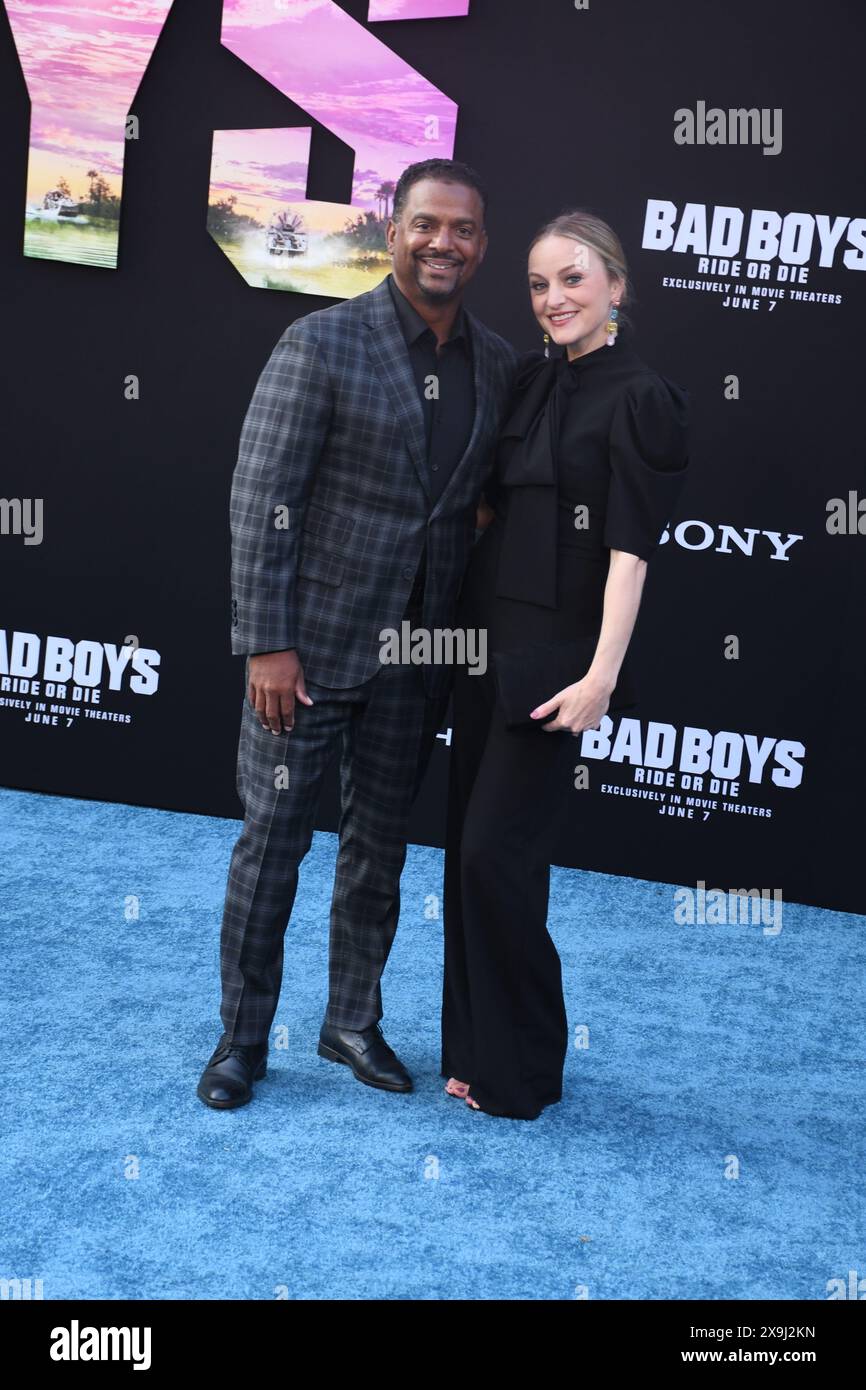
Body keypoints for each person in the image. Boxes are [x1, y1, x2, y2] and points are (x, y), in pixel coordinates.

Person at [197, 159, 518, 1109]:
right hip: (308, 658)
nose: (443, 243)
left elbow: (481, 502)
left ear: (482, 245)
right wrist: (266, 642)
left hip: (418, 664)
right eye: (426, 225)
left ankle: (350, 1023)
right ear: (393, 234)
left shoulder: (498, 365)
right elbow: (264, 498)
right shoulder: (320, 342)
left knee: (380, 848)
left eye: (462, 229)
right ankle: (241, 1042)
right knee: (273, 846)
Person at [441, 210, 690, 1120]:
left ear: (617, 286)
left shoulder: (642, 397)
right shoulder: (530, 381)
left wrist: (600, 678)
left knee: (491, 858)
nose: (555, 299)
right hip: (482, 645)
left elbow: (631, 555)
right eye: (541, 284)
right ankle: (472, 1048)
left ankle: (527, 1067)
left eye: (575, 280)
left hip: (556, 660)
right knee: (465, 853)